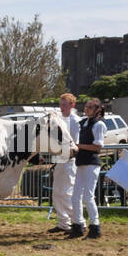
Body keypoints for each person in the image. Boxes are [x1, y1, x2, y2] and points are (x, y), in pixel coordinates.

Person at [69, 98, 105, 240]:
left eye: (90, 107)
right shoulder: (83, 123)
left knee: (88, 196)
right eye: (86, 106)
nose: (87, 109)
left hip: (91, 163)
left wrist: (78, 146)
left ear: (97, 110)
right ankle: (78, 225)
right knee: (76, 195)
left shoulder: (99, 124)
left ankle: (95, 226)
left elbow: (97, 146)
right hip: (81, 162)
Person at [49, 92, 80, 233]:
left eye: (64, 104)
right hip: (60, 159)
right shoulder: (60, 119)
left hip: (70, 159)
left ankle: (77, 221)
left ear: (72, 105)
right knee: (56, 192)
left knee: (66, 192)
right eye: (60, 104)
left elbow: (75, 142)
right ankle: (63, 223)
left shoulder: (76, 121)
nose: (61, 107)